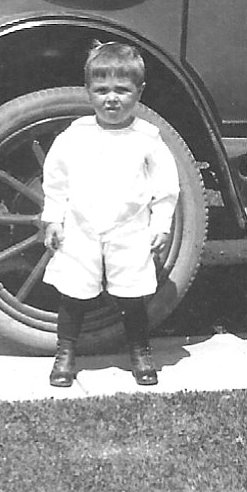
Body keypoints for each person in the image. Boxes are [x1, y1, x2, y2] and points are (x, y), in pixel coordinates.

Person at [41, 42, 180, 388]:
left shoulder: (147, 139)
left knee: (132, 296)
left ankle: (140, 350)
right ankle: (66, 353)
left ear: (139, 92)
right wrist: (54, 219)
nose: (111, 99)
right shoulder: (75, 135)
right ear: (88, 92)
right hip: (81, 227)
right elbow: (56, 180)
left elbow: (166, 187)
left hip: (129, 228)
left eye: (122, 90)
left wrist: (161, 224)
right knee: (73, 294)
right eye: (102, 91)